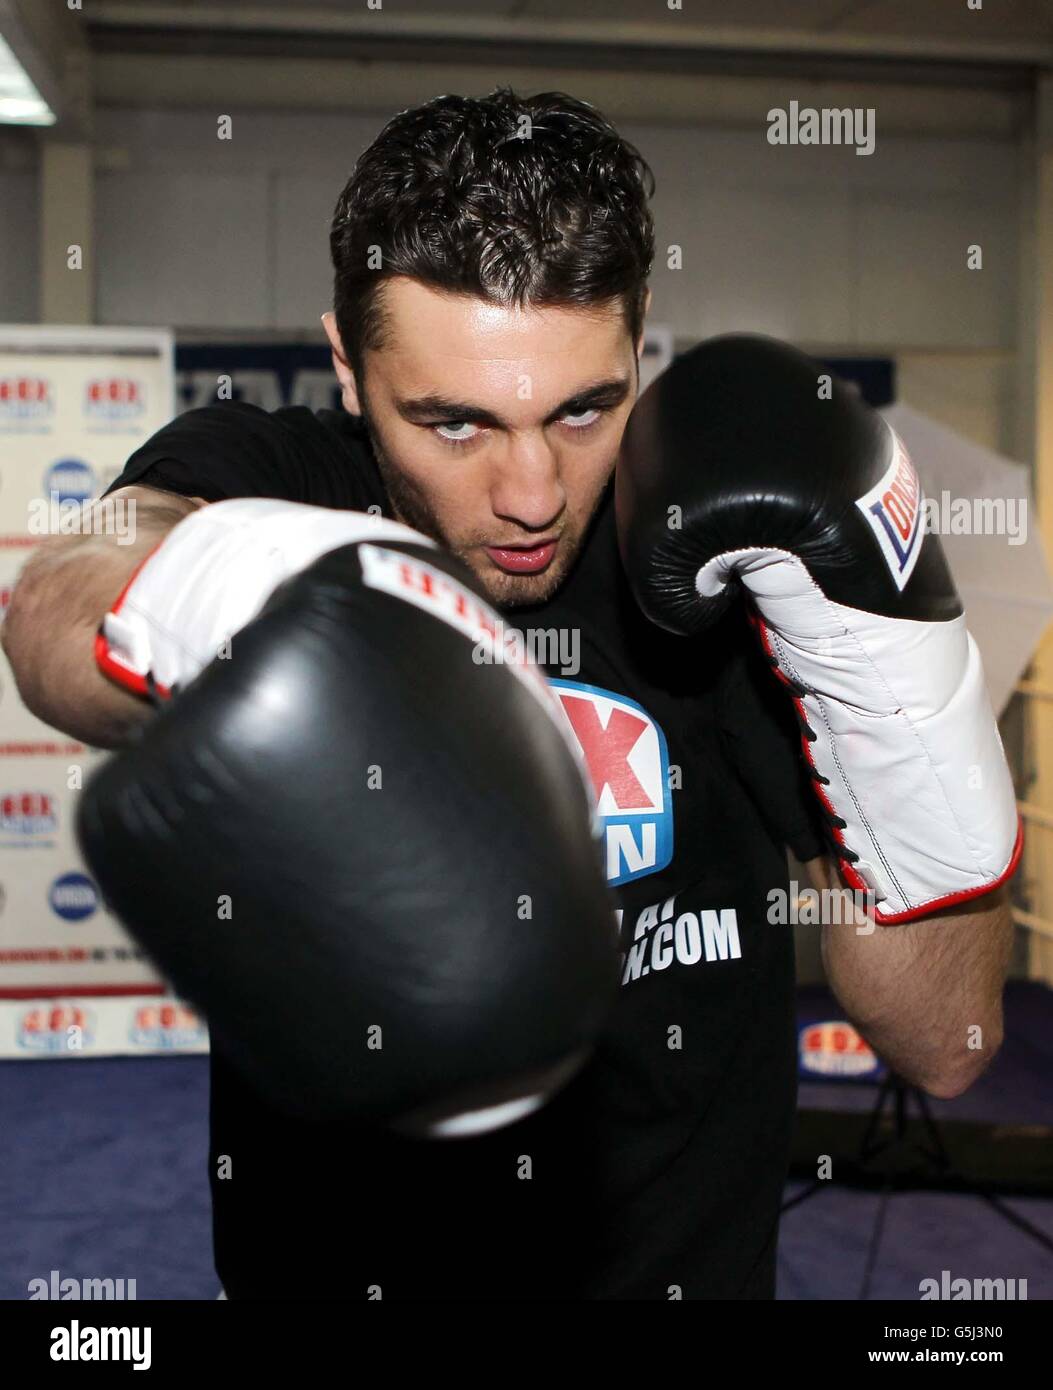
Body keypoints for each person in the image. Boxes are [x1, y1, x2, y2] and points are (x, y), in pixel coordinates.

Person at [3, 88, 1016, 1300]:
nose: (531, 491)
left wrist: (895, 685)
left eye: (583, 408)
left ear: (640, 345)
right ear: (345, 361)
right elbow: (65, 592)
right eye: (456, 421)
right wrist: (249, 595)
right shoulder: (278, 474)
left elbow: (945, 1046)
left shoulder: (730, 555)